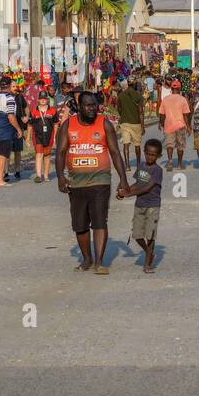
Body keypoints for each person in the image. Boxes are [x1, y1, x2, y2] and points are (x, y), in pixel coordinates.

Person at [55, 90, 129, 274]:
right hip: (76, 183)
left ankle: (99, 262)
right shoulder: (68, 125)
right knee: (79, 225)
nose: (92, 108)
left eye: (94, 105)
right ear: (79, 107)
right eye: (88, 105)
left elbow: (114, 152)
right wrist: (60, 177)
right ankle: (87, 258)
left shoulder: (104, 124)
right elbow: (61, 152)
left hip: (100, 181)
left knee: (99, 221)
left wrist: (123, 179)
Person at [118, 138, 164, 273]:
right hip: (140, 205)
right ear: (144, 152)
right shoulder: (141, 166)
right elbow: (138, 184)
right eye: (148, 153)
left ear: (158, 156)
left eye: (153, 155)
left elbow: (147, 188)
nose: (150, 157)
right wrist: (124, 191)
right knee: (137, 235)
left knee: (150, 235)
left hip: (152, 206)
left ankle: (147, 264)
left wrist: (128, 195)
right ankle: (149, 253)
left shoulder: (157, 170)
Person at [0, 76, 22, 187]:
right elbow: (11, 116)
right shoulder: (10, 98)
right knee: (3, 155)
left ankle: (0, 177)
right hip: (5, 128)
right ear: (8, 85)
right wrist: (18, 129)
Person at [115, 77, 147, 171]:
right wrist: (142, 126)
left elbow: (119, 109)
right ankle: (138, 164)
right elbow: (141, 112)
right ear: (135, 84)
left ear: (128, 84)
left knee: (126, 144)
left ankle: (127, 166)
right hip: (136, 123)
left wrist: (124, 116)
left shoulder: (121, 95)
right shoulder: (138, 96)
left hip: (124, 123)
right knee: (137, 145)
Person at [158, 79, 191, 170]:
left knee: (169, 145)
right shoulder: (183, 99)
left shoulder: (165, 99)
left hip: (168, 125)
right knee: (180, 145)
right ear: (179, 89)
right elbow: (185, 115)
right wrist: (188, 126)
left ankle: (170, 161)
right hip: (180, 125)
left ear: (171, 89)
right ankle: (180, 165)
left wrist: (160, 123)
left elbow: (161, 114)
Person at [28, 91, 58, 183]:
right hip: (37, 136)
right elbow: (29, 125)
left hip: (49, 135)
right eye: (41, 99)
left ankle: (46, 175)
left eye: (44, 99)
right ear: (38, 100)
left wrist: (55, 136)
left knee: (47, 155)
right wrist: (28, 137)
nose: (43, 100)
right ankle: (38, 175)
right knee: (39, 154)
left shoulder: (52, 110)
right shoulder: (33, 111)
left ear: (47, 100)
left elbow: (56, 124)